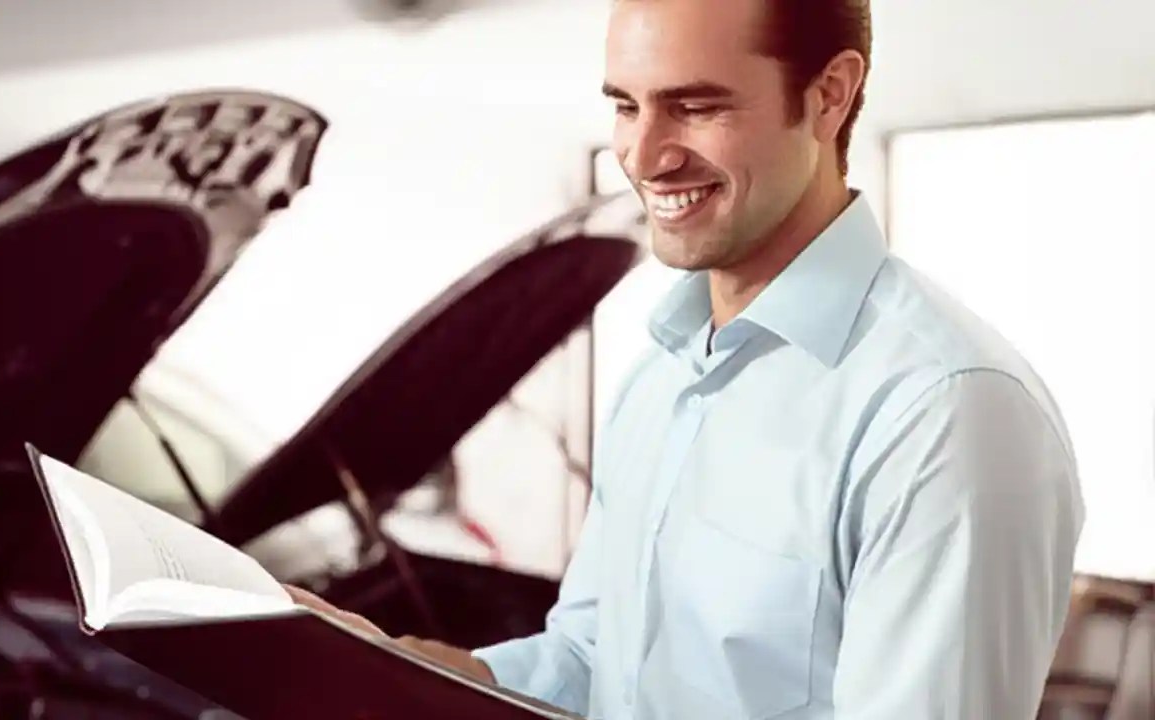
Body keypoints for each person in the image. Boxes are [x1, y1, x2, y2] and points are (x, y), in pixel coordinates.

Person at [289, 0, 1086, 717]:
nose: (642, 154)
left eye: (696, 106)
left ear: (830, 95)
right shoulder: (663, 375)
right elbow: (592, 664)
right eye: (626, 106)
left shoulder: (946, 412)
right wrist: (390, 671)